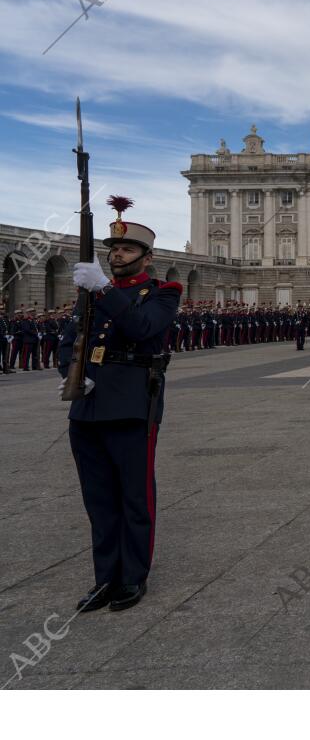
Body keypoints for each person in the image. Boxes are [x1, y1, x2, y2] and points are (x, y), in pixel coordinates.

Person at [57, 195, 181, 612]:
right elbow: (68, 342)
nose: (118, 256)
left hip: (132, 405)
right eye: (113, 250)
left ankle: (132, 577)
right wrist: (73, 376)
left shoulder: (163, 294)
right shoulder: (89, 295)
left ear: (145, 257)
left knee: (135, 494)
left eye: (127, 250)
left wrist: (105, 290)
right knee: (98, 497)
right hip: (88, 406)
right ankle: (105, 578)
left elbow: (142, 327)